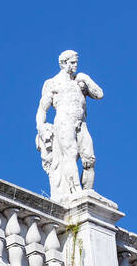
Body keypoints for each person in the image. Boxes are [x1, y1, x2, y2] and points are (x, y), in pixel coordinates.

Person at [36, 50, 103, 200]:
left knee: (89, 159)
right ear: (63, 64)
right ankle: (76, 192)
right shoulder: (52, 83)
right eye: (72, 63)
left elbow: (99, 95)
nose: (75, 66)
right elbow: (42, 109)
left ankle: (88, 193)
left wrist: (86, 79)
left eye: (76, 63)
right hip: (64, 121)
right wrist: (41, 127)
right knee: (70, 154)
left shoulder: (80, 81)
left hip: (81, 122)